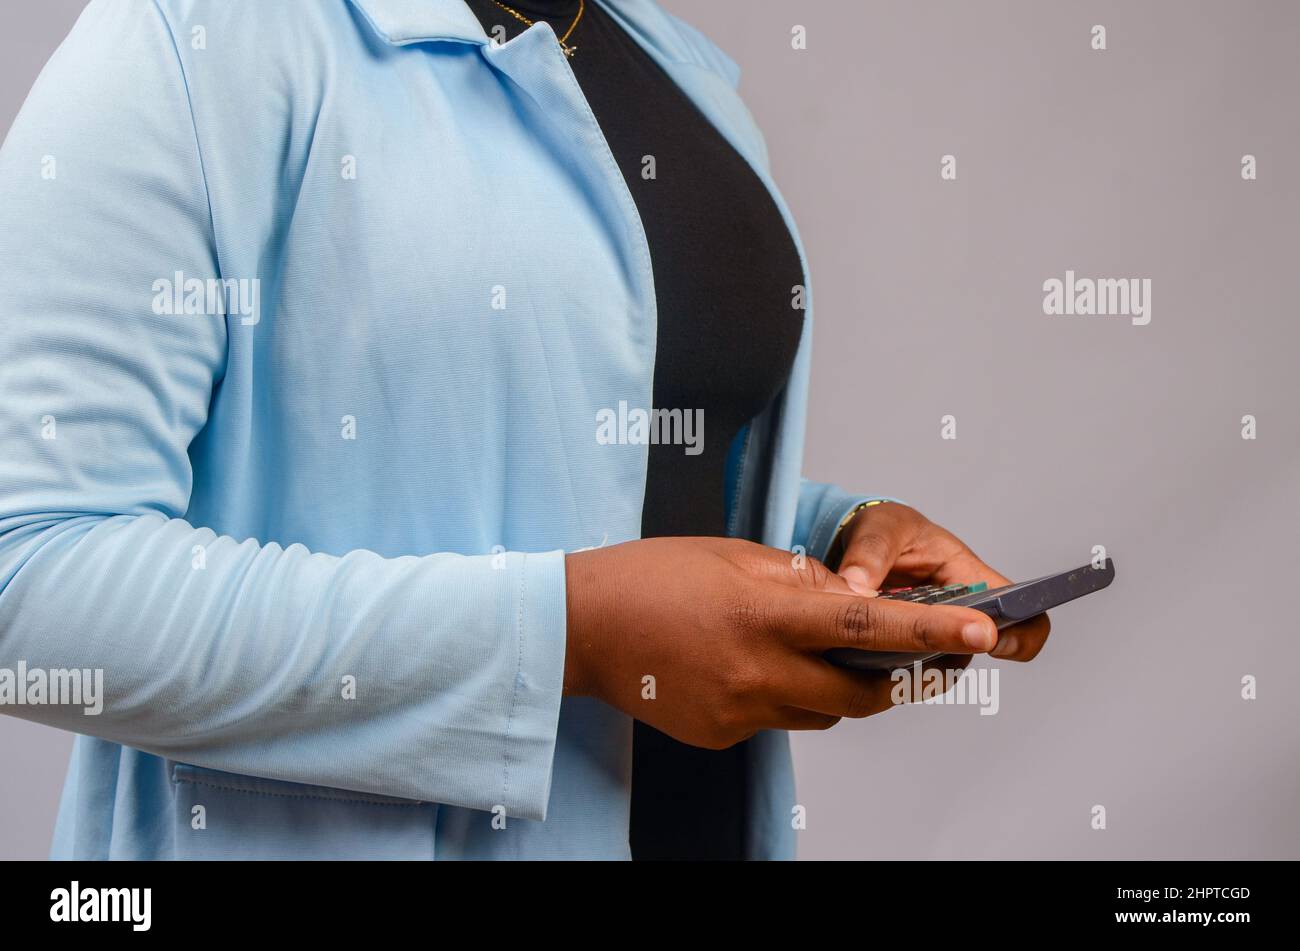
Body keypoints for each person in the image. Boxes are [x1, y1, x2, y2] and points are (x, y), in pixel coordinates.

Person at [0, 0, 1048, 861]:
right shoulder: (189, 38)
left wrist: (827, 539)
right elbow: (27, 573)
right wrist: (571, 633)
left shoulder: (673, 71)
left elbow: (572, 454)